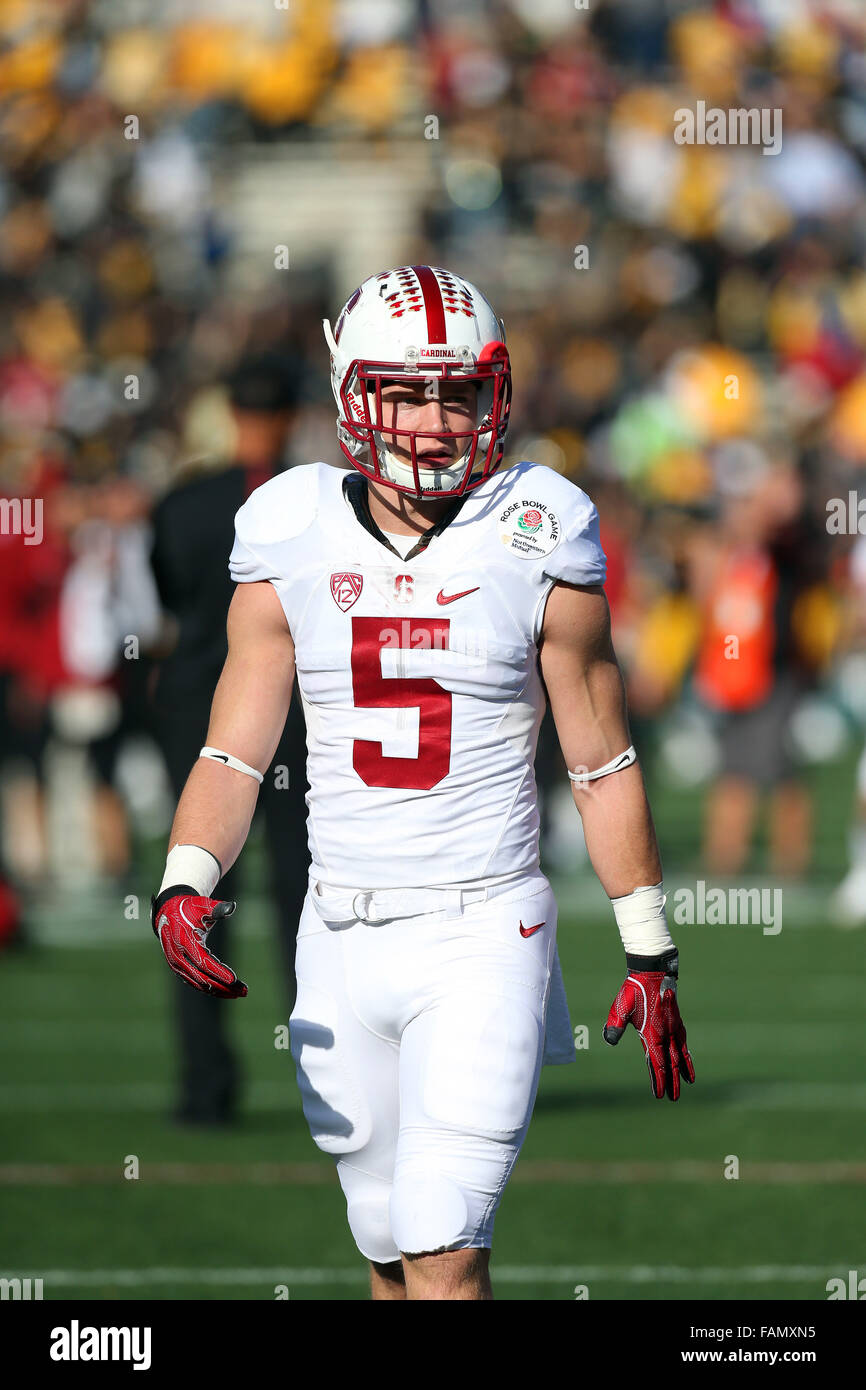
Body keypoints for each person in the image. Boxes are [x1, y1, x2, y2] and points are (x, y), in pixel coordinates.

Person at [151, 266, 694, 1299]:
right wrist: (187, 876)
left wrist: (647, 945)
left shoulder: (538, 523)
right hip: (339, 928)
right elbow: (234, 749)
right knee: (389, 1249)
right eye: (407, 390)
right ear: (354, 391)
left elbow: (600, 758)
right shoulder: (290, 524)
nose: (437, 420)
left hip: (482, 928)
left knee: (445, 1244)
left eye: (458, 391)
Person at [150, 352, 309, 1126]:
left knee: (196, 893)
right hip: (298, 717)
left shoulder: (186, 502)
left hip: (197, 716)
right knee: (306, 896)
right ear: (287, 415)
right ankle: (331, 1073)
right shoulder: (319, 502)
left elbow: (170, 597)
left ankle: (204, 1088)